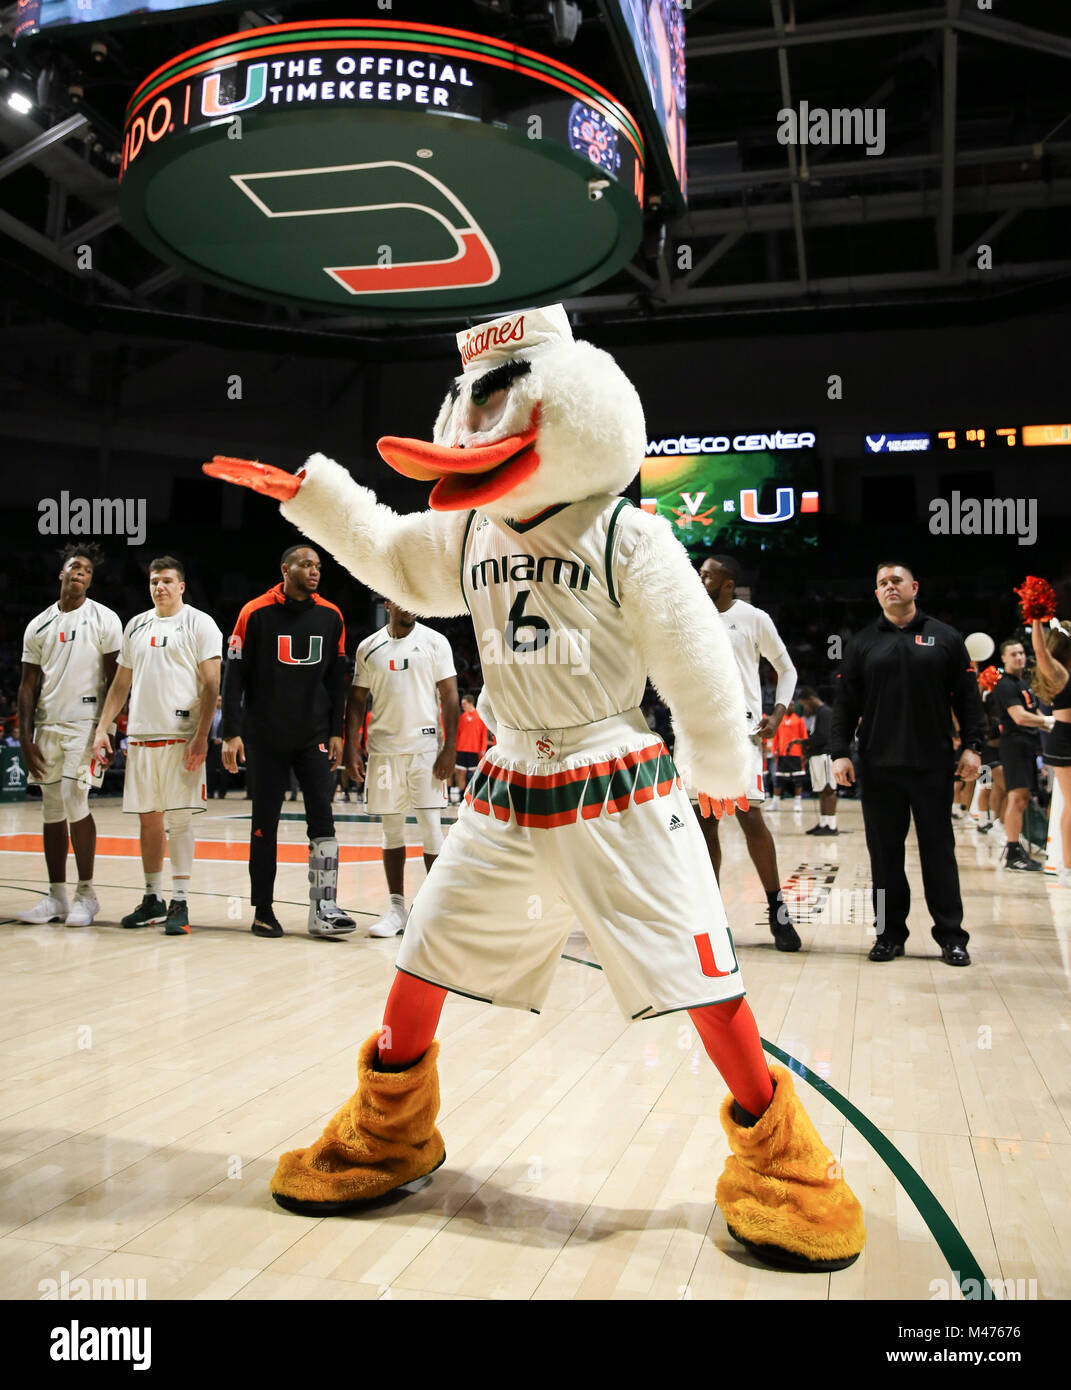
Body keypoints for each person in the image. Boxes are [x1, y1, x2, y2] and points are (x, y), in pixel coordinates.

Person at [206, 302, 865, 1270]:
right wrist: (314, 494)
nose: (474, 428)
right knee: (426, 952)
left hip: (619, 776)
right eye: (464, 407)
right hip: (510, 773)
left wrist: (721, 766)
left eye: (503, 402)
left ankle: (786, 1164)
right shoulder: (469, 530)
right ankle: (390, 1129)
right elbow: (391, 554)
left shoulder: (627, 532)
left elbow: (692, 662)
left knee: (700, 976)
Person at [831, 561, 984, 966]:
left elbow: (968, 697)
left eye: (896, 580)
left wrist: (973, 745)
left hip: (933, 764)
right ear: (876, 593)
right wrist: (839, 752)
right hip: (878, 766)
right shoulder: (862, 642)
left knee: (939, 852)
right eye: (881, 583)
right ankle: (889, 935)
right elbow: (844, 704)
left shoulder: (946, 637)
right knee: (884, 857)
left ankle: (952, 936)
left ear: (914, 586)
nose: (889, 587)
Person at [221, 545, 356, 939]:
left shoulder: (331, 616)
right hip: (264, 737)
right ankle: (263, 909)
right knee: (265, 824)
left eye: (318, 566)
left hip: (313, 735)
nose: (315, 571)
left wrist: (336, 732)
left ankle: (324, 907)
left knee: (324, 820)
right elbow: (234, 678)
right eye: (307, 565)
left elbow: (337, 681)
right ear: (286, 569)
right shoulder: (254, 613)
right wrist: (231, 733)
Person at [91, 557, 221, 936]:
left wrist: (201, 735)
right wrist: (104, 728)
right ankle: (153, 898)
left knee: (178, 820)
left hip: (182, 736)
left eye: (166, 581)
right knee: (148, 819)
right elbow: (120, 684)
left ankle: (180, 900)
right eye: (154, 582)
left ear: (182, 586)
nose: (159, 587)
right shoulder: (136, 625)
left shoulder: (200, 623)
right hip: (142, 736)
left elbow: (212, 684)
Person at [692, 555, 800, 950]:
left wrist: (777, 714)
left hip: (741, 732)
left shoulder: (754, 618)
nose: (700, 578)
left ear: (728, 583)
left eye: (707, 574)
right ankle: (710, 918)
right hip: (699, 733)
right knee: (704, 823)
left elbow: (786, 669)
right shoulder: (689, 614)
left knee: (749, 818)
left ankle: (778, 913)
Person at [17, 544, 122, 926]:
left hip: (85, 723)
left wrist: (106, 730)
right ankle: (57, 896)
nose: (79, 574)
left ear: (90, 581)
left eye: (87, 572)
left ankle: (86, 894)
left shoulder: (105, 619)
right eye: (74, 567)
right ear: (61, 574)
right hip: (47, 725)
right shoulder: (39, 624)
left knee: (75, 799)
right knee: (51, 809)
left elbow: (116, 679)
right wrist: (24, 737)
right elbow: (27, 685)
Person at [345, 601, 458, 937]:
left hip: (425, 751)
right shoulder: (369, 646)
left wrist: (449, 747)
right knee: (391, 830)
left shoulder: (436, 642)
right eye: (400, 598)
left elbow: (450, 695)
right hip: (383, 752)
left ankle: (435, 912)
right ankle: (396, 909)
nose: (408, 606)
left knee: (431, 828)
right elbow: (355, 701)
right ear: (387, 604)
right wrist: (352, 746)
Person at [990, 638, 1052, 872]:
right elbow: (1019, 716)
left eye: (1021, 653)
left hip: (1027, 744)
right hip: (1014, 744)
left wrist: (1049, 725)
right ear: (1004, 658)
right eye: (1013, 654)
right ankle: (1013, 850)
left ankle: (1016, 847)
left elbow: (1031, 711)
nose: (1019, 657)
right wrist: (1048, 720)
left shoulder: (1022, 683)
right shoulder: (1005, 684)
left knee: (1023, 797)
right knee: (1016, 797)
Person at [1031, 618, 1071, 887]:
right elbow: (1041, 653)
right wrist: (1035, 620)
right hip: (1066, 741)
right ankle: (1067, 867)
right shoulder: (1059, 673)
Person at [799, 687, 837, 835]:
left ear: (811, 699)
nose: (805, 708)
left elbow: (823, 737)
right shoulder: (819, 713)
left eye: (804, 705)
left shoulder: (825, 712)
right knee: (821, 790)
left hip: (825, 755)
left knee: (829, 789)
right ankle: (823, 823)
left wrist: (804, 743)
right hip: (818, 755)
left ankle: (832, 826)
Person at [451, 691, 488, 803]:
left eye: (464, 704)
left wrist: (483, 748)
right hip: (461, 749)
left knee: (473, 775)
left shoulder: (480, 717)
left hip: (474, 750)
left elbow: (484, 735)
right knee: (460, 773)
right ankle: (462, 797)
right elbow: (457, 734)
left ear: (471, 703)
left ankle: (471, 796)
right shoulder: (462, 717)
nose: (463, 706)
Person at [772, 703, 807, 808]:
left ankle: (797, 803)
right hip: (782, 753)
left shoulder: (799, 720)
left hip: (796, 753)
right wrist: (774, 751)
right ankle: (775, 803)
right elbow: (775, 738)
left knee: (797, 780)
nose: (791, 707)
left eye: (792, 705)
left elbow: (804, 737)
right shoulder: (780, 721)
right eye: (789, 705)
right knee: (779, 779)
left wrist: (804, 753)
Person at [206, 696, 226, 799]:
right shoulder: (210, 714)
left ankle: (222, 792)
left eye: (220, 700)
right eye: (217, 700)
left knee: (224, 770)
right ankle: (210, 792)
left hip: (222, 745)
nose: (218, 702)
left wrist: (221, 738)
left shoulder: (226, 714)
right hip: (211, 744)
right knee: (210, 769)